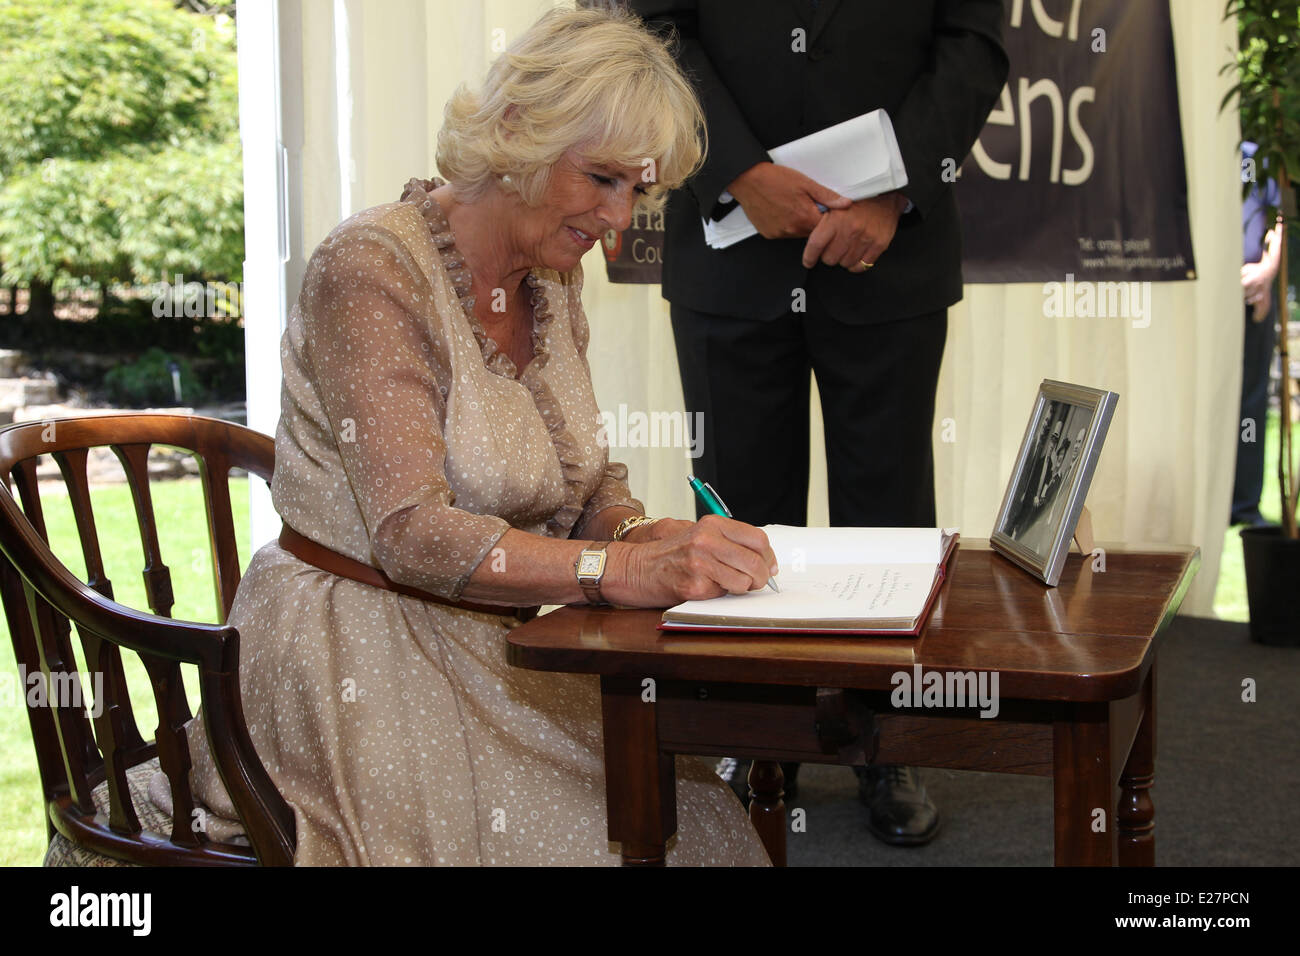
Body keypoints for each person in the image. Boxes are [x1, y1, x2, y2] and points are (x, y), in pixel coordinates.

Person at [150, 6, 777, 866]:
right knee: (608, 842)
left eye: (638, 190)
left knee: (695, 823)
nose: (618, 221)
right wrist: (621, 570)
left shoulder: (552, 273)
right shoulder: (369, 266)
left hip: (503, 639)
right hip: (362, 651)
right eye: (601, 179)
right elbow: (409, 532)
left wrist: (641, 531)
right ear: (518, 132)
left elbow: (581, 482)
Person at [631, 0, 1008, 847]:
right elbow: (651, 25)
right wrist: (735, 172)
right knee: (737, 512)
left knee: (890, 506)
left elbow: (973, 46)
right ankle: (750, 732)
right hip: (726, 243)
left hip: (893, 248)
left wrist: (894, 190)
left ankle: (887, 740)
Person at [1232, 141, 1284, 528]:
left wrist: (1267, 274)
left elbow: (1278, 219)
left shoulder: (1257, 155)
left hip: (1255, 296)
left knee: (1251, 402)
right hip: (1208, 294)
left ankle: (1245, 505)